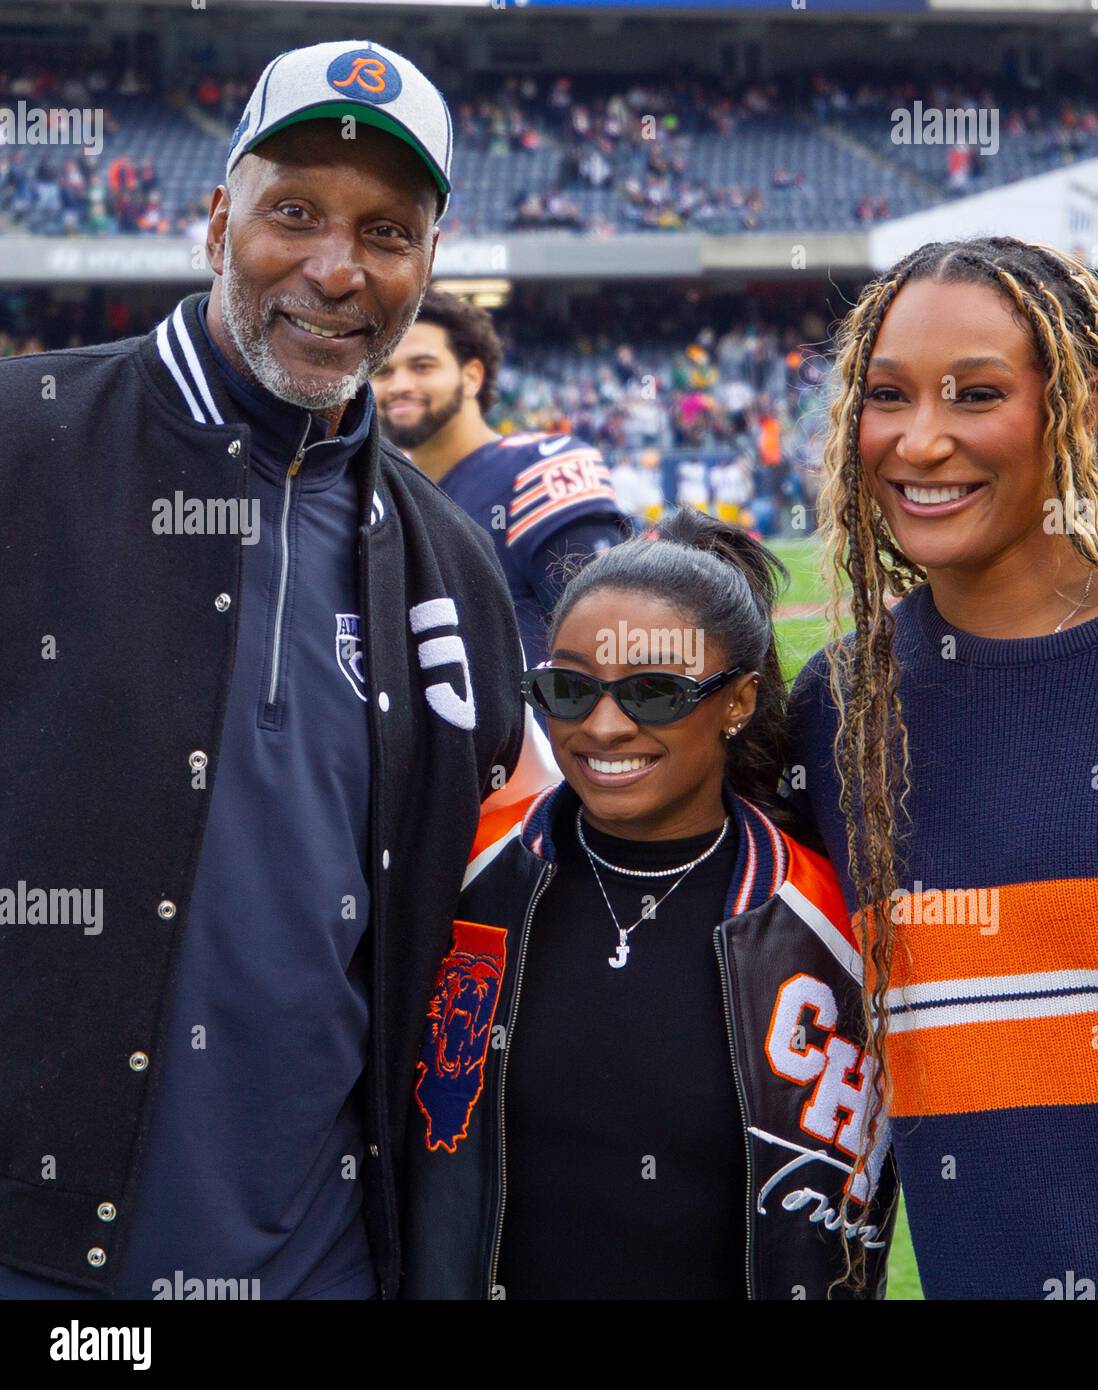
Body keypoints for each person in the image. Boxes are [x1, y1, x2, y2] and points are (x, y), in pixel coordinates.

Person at [0, 41, 523, 1301]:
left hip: (322, 1266)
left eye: (387, 231)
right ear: (217, 217)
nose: (336, 270)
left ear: (429, 265)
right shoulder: (27, 442)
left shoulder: (454, 561)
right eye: (295, 212)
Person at [791, 235, 1098, 1300]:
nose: (918, 441)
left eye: (975, 395)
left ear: (1089, 404)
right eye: (887, 395)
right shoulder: (841, 707)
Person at [402, 510, 897, 1300]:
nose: (602, 726)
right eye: (569, 689)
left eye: (654, 694)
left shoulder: (830, 921)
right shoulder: (463, 874)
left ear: (736, 702)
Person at [372, 291, 628, 666]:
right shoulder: (383, 492)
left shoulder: (535, 472)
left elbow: (612, 639)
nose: (399, 386)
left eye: (422, 366)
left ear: (472, 376)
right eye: (384, 371)